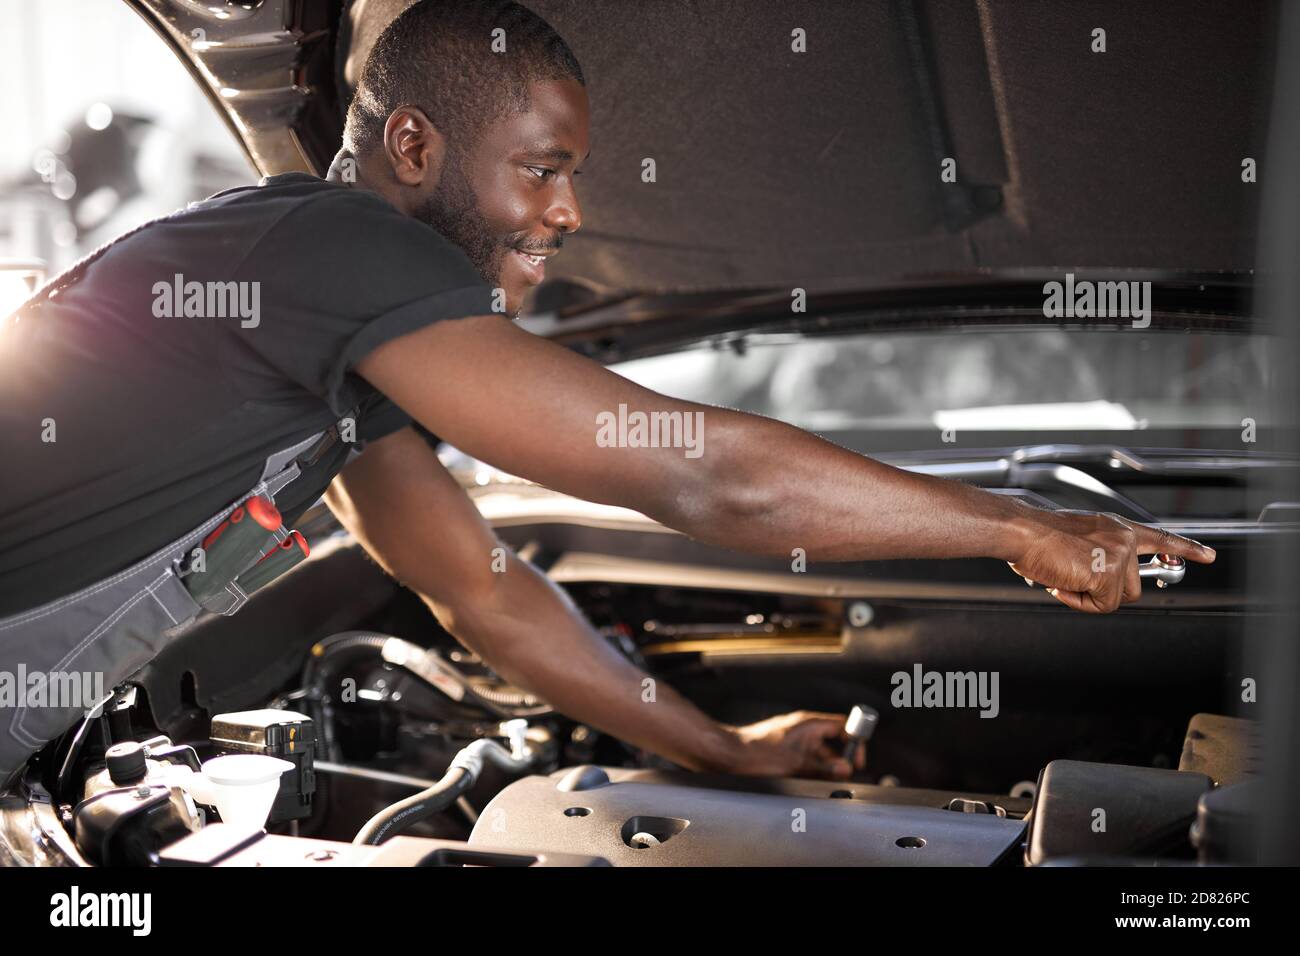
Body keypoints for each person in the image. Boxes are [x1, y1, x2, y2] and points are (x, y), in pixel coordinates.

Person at [0, 0, 1214, 782]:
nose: (572, 213)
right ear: (414, 148)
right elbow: (699, 474)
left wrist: (724, 752)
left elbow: (480, 584)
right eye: (542, 170)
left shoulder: (334, 330)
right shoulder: (332, 248)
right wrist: (1020, 526)